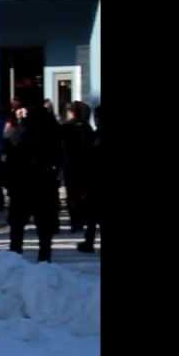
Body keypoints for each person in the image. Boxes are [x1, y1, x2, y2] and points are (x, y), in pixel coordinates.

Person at [4, 102, 62, 262]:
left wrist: (8, 183)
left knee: (17, 226)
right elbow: (59, 157)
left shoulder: (20, 133)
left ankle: (14, 258)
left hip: (22, 185)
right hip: (45, 185)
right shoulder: (53, 132)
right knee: (44, 228)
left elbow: (10, 158)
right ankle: (44, 258)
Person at [60, 101, 95, 233]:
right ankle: (82, 218)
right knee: (83, 193)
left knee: (72, 194)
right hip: (85, 165)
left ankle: (76, 222)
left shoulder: (65, 127)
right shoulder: (87, 128)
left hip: (70, 165)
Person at [78, 104, 101, 253]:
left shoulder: (96, 135)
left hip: (95, 180)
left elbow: (90, 158)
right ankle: (88, 241)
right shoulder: (94, 134)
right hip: (95, 179)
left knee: (93, 215)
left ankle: (89, 242)